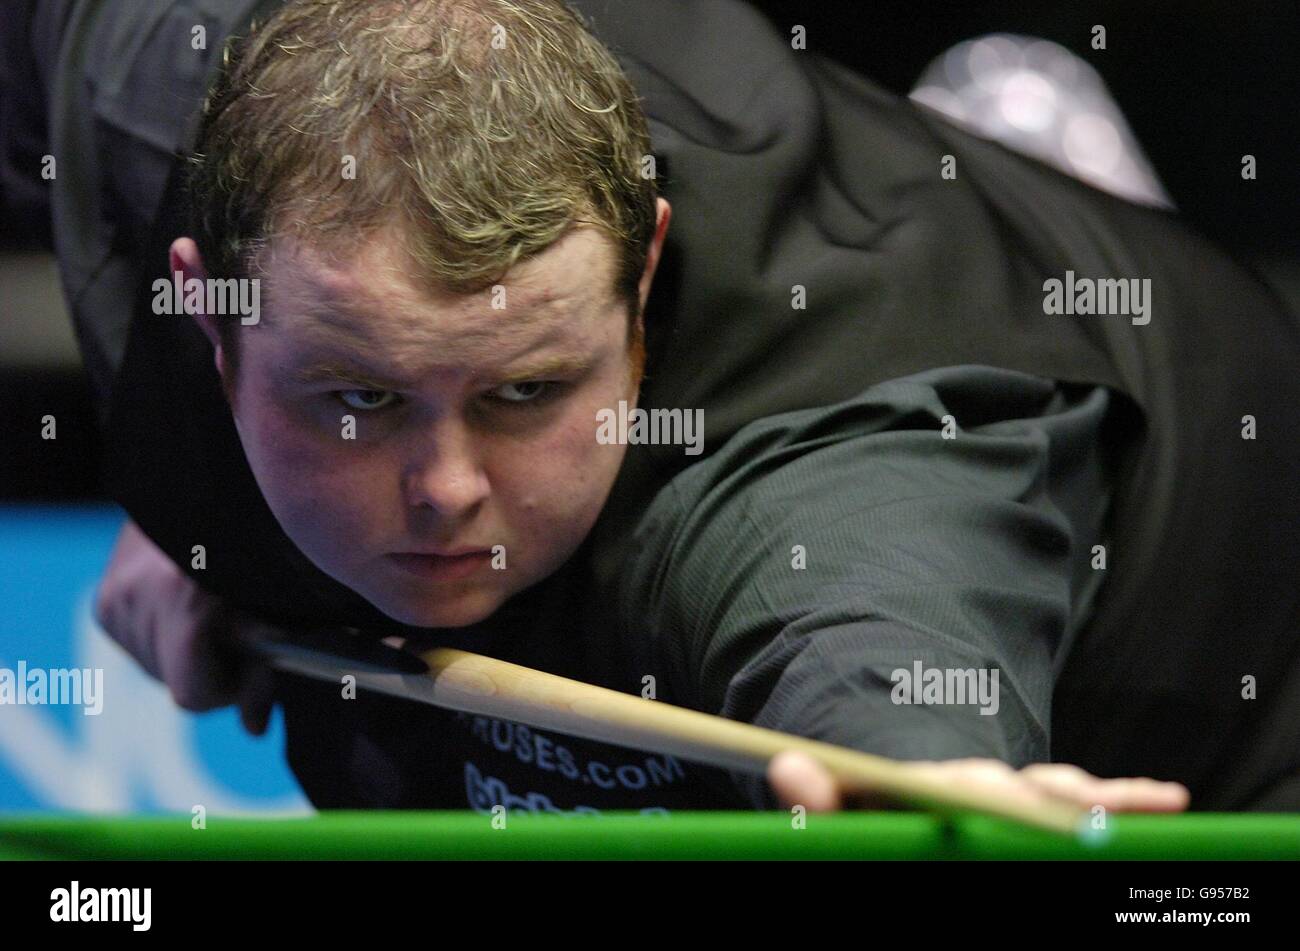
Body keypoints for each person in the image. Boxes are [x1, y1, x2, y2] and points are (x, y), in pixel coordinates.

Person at [23, 0, 1300, 813]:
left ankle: (1044, 170)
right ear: (207, 313)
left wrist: (921, 782)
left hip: (1216, 624)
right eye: (357, 398)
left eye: (525, 394)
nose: (446, 488)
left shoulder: (830, 475)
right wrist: (189, 487)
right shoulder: (136, 67)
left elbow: (878, 646)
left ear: (638, 282)